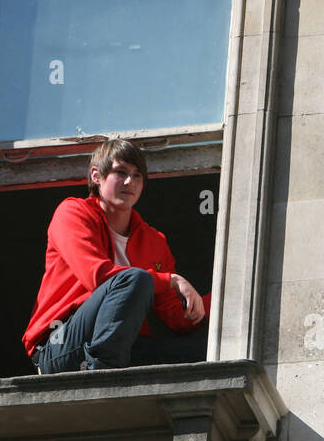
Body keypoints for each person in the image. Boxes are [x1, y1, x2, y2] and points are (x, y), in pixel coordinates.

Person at [22, 139, 211, 373]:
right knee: (135, 279)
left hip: (125, 349)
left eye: (137, 175)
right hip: (61, 347)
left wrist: (222, 299)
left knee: (205, 351)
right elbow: (98, 276)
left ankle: (109, 369)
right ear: (96, 176)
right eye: (120, 172)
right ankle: (102, 377)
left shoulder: (154, 240)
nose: (129, 181)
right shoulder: (72, 213)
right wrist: (171, 280)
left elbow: (175, 317)